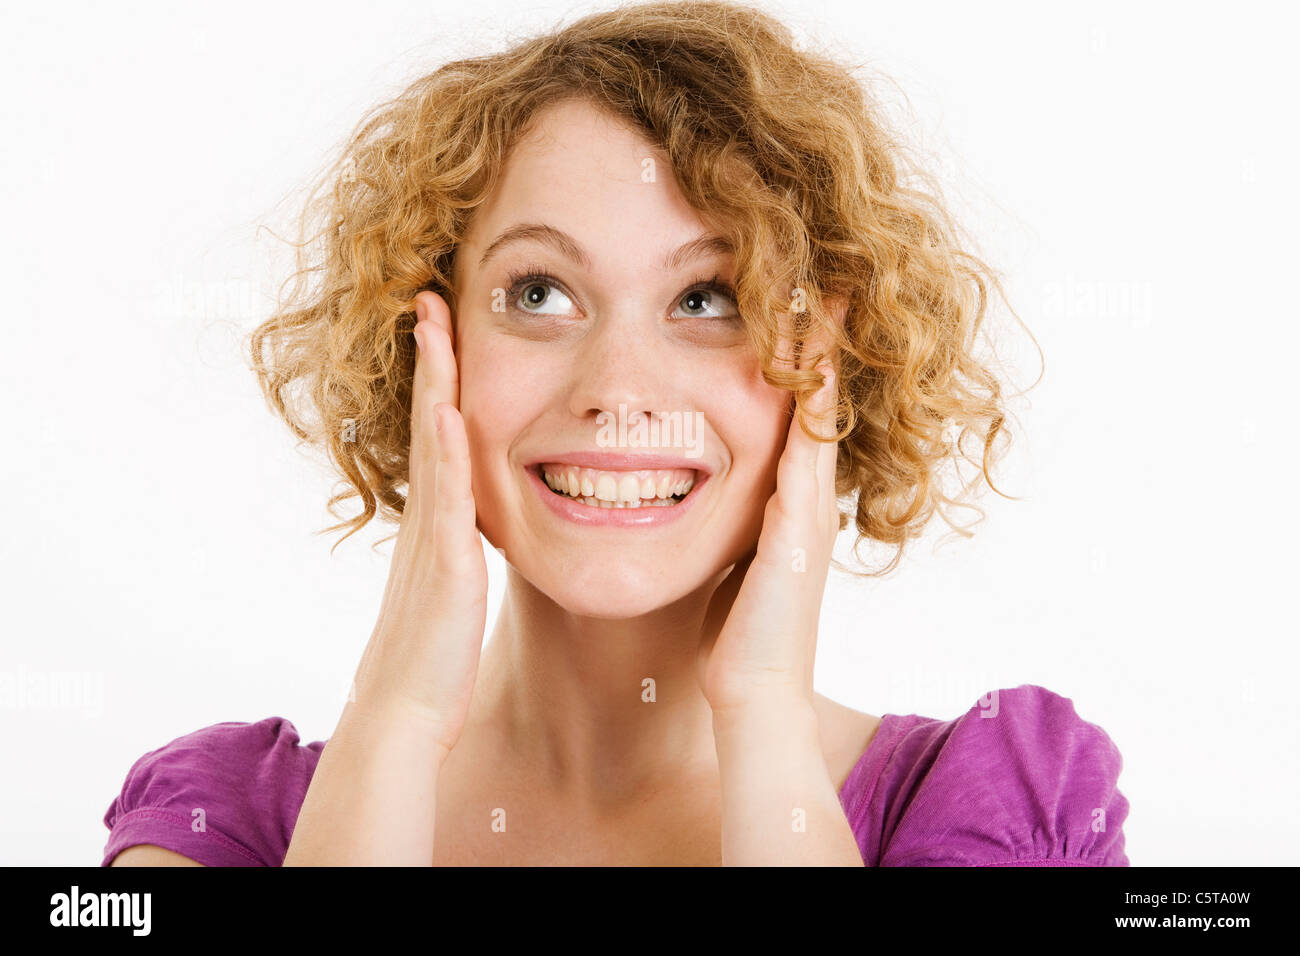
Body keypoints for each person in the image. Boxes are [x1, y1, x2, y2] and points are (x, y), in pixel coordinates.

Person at [103, 0, 1128, 866]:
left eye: (709, 296)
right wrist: (396, 718)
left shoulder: (998, 797)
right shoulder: (221, 819)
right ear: (422, 343)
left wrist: (765, 709)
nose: (619, 389)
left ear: (830, 366)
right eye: (538, 291)